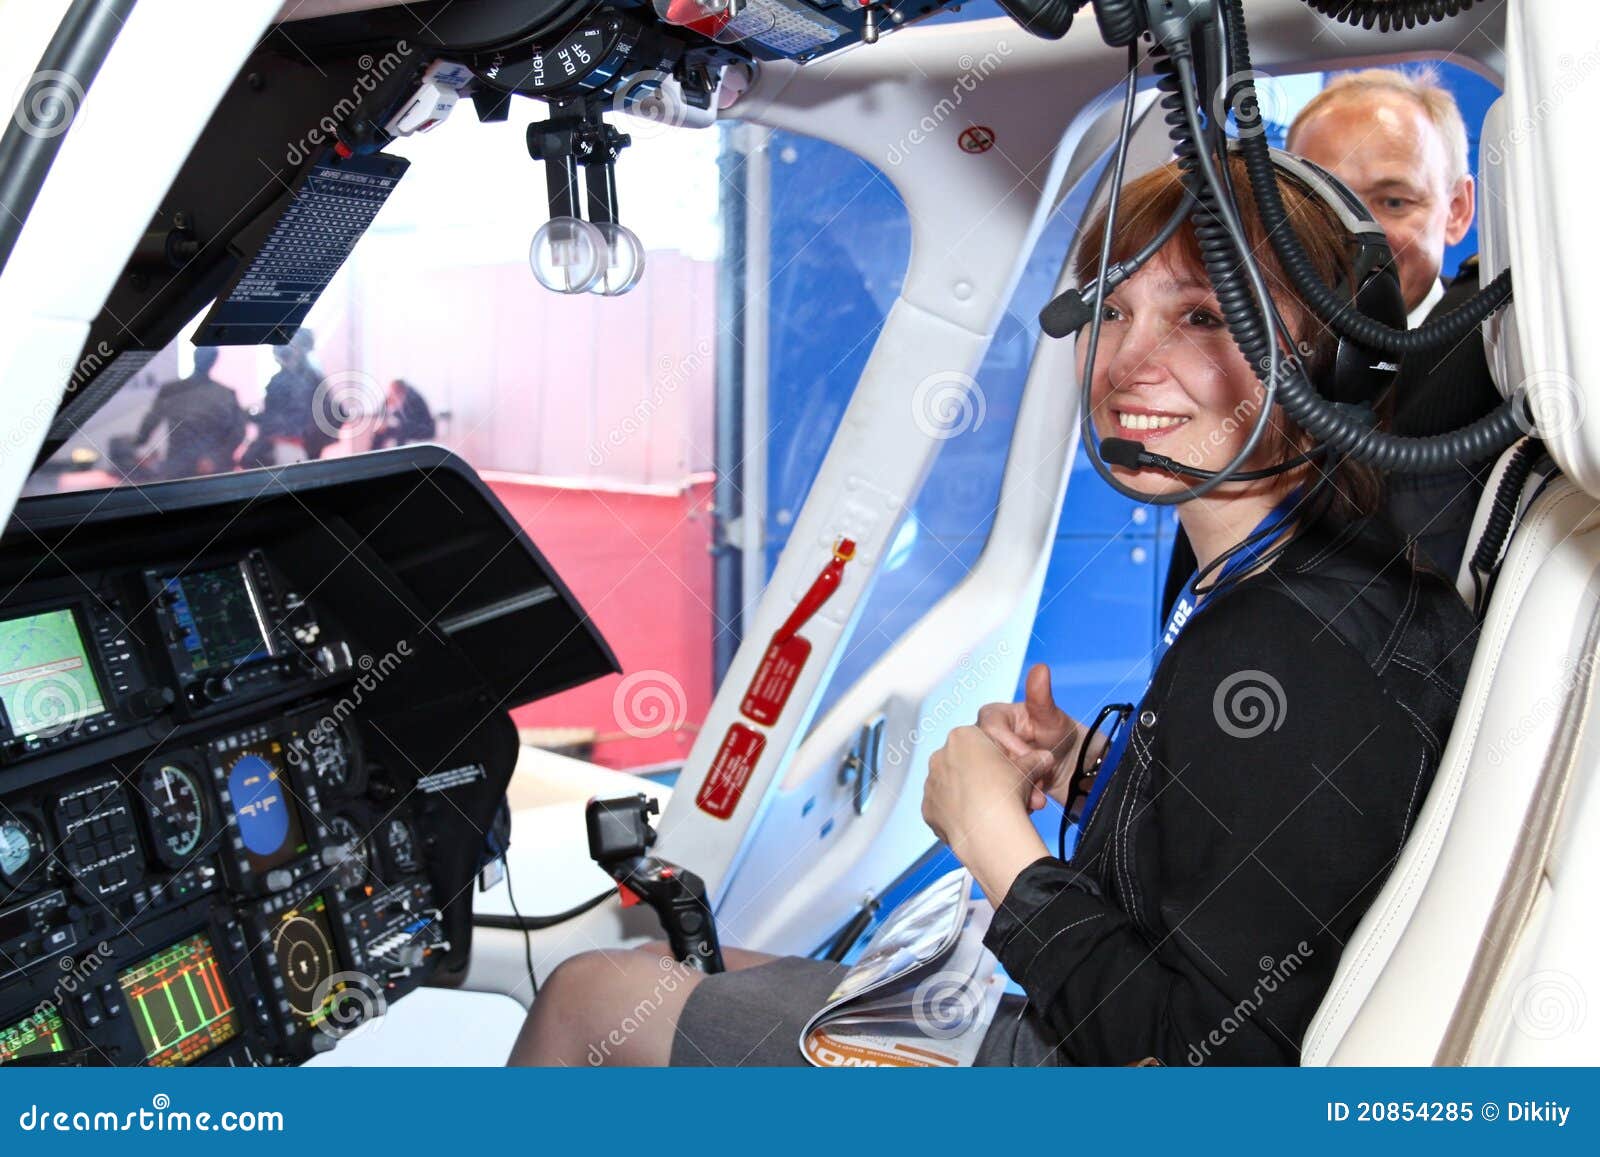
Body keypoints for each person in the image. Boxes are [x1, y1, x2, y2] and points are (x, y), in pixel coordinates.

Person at [506, 156, 1478, 1067]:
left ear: (1333, 359)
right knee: (697, 973)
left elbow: (1193, 1061)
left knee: (587, 997)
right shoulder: (1320, 570)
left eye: (1198, 317)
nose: (1126, 360)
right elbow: (1269, 844)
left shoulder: (1284, 643)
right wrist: (1092, 767)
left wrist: (990, 839)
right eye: (1112, 309)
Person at [1286, 68, 1502, 576]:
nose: (1355, 236)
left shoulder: (1496, 361)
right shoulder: (1246, 370)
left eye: (1393, 201)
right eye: (1322, 201)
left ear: (1457, 210)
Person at [133, 346, 246, 479]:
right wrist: (136, 446)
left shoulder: (226, 394)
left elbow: (238, 432)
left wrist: (215, 458)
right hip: (182, 467)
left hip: (208, 470)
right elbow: (150, 422)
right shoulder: (173, 390)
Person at [371, 379, 436, 449]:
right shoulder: (400, 395)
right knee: (380, 431)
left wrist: (394, 407)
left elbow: (408, 420)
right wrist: (383, 422)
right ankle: (373, 455)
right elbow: (385, 406)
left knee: (402, 428)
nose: (390, 393)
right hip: (410, 426)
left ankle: (399, 454)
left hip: (424, 428)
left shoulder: (413, 398)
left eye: (392, 391)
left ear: (398, 389)